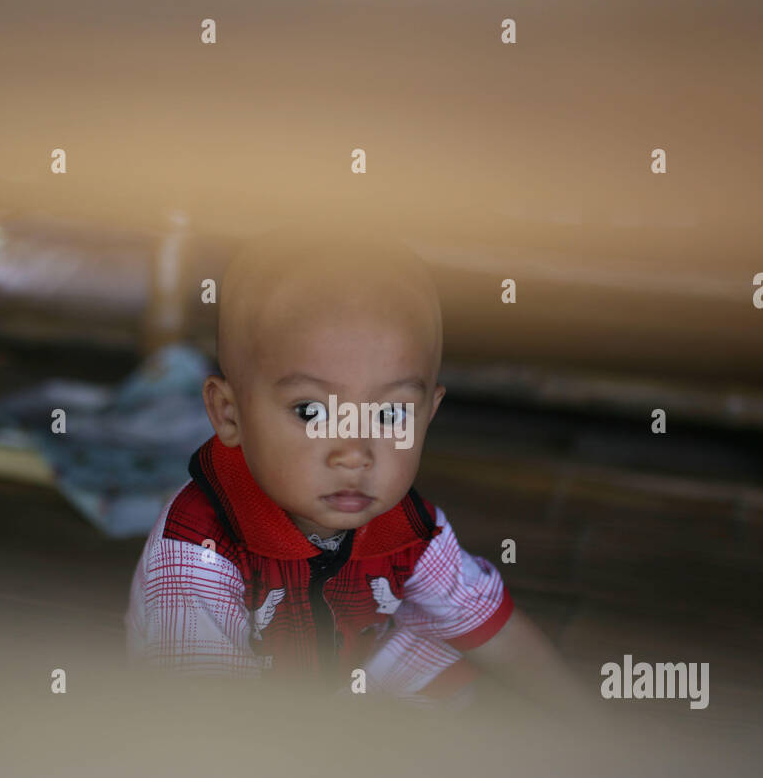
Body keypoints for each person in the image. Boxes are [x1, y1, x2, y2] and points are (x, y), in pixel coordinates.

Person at [125, 222, 588, 718]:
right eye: (311, 412)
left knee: (447, 649)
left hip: (338, 684)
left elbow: (491, 626)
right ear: (229, 414)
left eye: (390, 415)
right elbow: (202, 721)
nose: (354, 452)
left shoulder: (407, 526)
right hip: (219, 713)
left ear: (428, 415)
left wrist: (589, 727)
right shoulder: (198, 548)